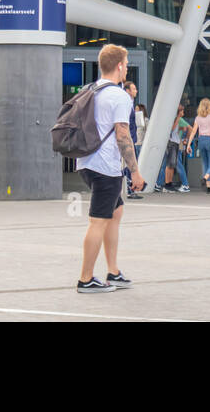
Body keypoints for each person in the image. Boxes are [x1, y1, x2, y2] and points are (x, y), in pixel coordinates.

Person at [75, 44, 143, 293]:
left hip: (86, 162)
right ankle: (86, 279)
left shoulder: (89, 90)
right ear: (119, 66)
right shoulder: (119, 96)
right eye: (126, 63)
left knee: (115, 212)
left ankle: (113, 272)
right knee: (98, 220)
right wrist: (134, 171)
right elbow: (122, 134)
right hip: (105, 167)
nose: (126, 67)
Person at [186, 98, 210, 193]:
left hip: (201, 140)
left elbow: (193, 131)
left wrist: (189, 144)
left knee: (205, 163)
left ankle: (208, 187)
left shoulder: (198, 118)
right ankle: (205, 178)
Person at [157, 102, 192, 193]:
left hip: (174, 142)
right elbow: (171, 129)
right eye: (182, 110)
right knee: (170, 165)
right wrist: (178, 118)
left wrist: (183, 134)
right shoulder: (175, 118)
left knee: (169, 164)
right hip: (171, 143)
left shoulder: (177, 119)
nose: (183, 111)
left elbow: (179, 129)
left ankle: (164, 184)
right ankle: (168, 184)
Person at [122, 81, 144, 199]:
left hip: (131, 137)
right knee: (131, 163)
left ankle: (125, 180)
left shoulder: (131, 103)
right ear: (128, 91)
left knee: (131, 163)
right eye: (134, 89)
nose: (136, 91)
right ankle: (131, 189)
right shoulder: (125, 103)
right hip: (127, 137)